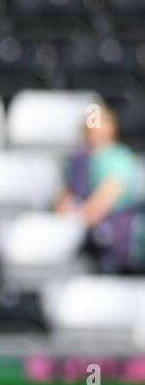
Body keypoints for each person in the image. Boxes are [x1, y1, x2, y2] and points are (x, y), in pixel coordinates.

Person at [56, 105, 145, 273]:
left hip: (118, 234)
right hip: (85, 230)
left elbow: (106, 197)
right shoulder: (79, 160)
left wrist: (80, 216)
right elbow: (66, 196)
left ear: (111, 127)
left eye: (100, 122)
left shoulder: (118, 158)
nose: (95, 128)